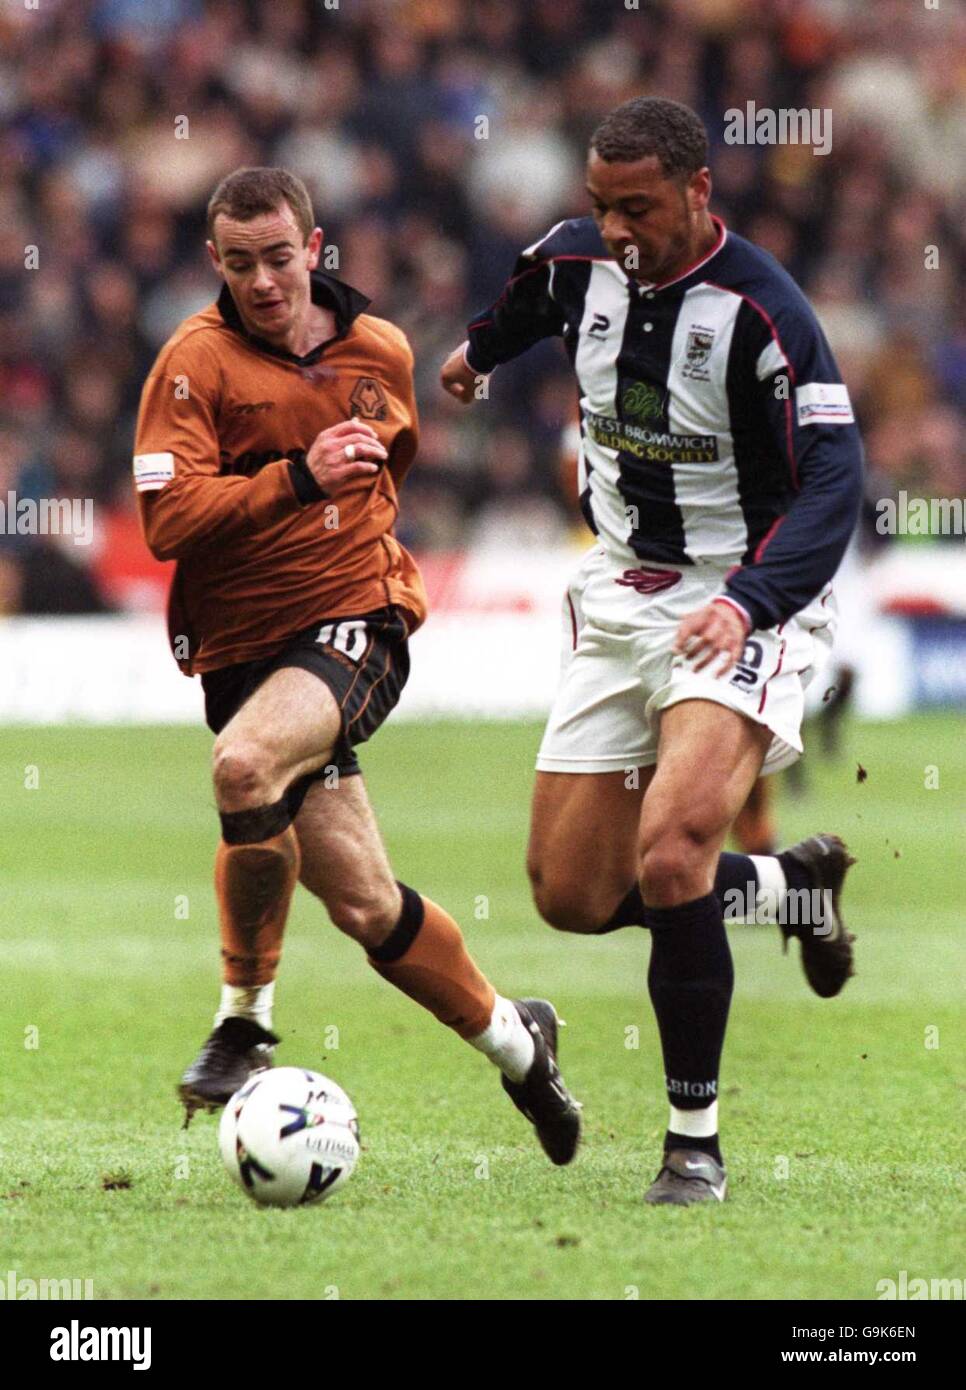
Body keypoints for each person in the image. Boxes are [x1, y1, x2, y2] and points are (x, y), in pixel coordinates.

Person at [441, 98, 862, 1205]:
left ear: (698, 193)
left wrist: (758, 598)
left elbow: (835, 481)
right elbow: (534, 293)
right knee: (571, 893)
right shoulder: (581, 256)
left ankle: (694, 1141)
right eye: (602, 205)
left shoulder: (766, 311)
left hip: (742, 595)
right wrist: (474, 353)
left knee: (671, 853)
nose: (617, 228)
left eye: (639, 208)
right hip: (620, 589)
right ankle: (786, 886)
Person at [133, 166, 580, 1171]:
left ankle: (243, 1020)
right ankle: (524, 1046)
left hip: (356, 623)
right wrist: (295, 478)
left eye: (279, 257)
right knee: (367, 905)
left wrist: (324, 521)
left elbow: (380, 487)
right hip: (243, 651)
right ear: (216, 263)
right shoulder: (190, 368)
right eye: (240, 263)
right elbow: (166, 522)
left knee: (245, 770)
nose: (262, 280)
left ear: (314, 248)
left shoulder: (381, 352)